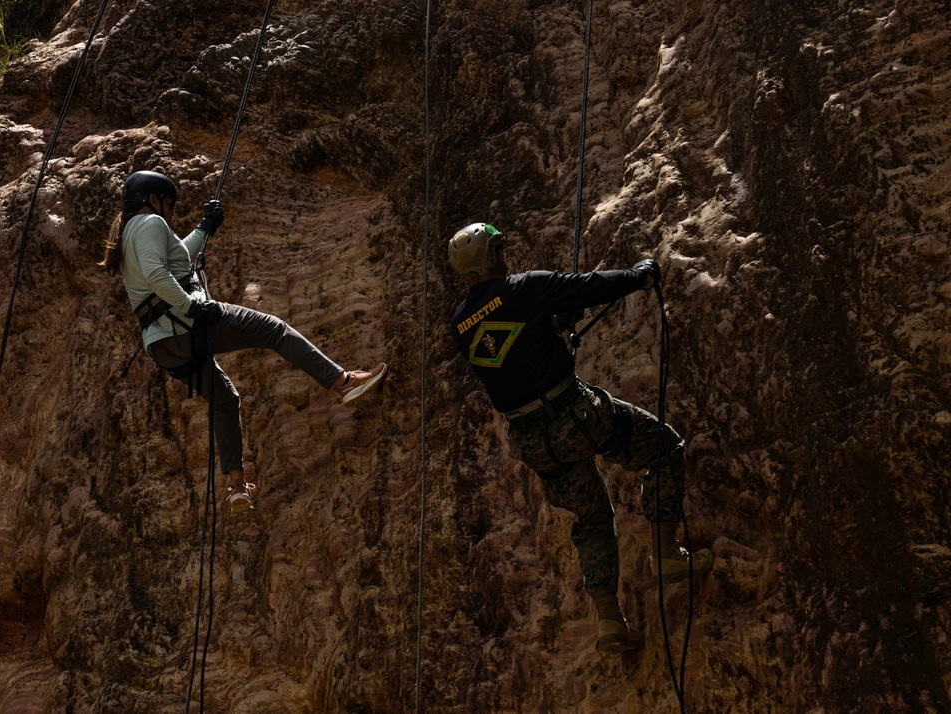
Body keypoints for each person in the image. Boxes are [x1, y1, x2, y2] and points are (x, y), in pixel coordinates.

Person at [447, 222, 713, 654]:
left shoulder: (460, 322)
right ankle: (666, 553)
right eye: (500, 248)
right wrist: (640, 274)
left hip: (534, 441)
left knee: (590, 518)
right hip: (575, 415)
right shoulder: (523, 288)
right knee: (663, 448)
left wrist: (553, 326)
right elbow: (587, 287)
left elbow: (511, 347)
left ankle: (610, 620)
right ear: (494, 257)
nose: (505, 254)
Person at [101, 170, 387, 513]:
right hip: (187, 323)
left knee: (224, 398)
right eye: (169, 205)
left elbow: (175, 259)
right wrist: (192, 305)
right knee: (274, 330)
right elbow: (157, 274)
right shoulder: (150, 224)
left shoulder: (130, 234)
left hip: (164, 346)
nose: (172, 213)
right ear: (152, 200)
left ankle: (237, 486)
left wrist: (205, 228)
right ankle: (342, 382)